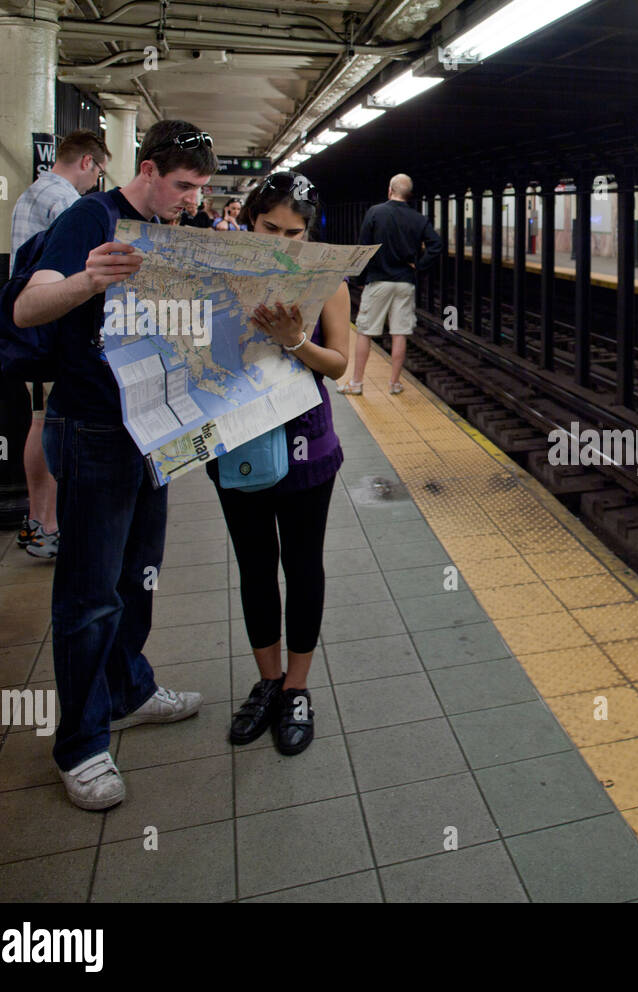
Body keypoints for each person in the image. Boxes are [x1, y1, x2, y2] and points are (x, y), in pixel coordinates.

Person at [12, 120, 218, 810]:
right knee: (90, 593)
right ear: (150, 170)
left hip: (155, 426)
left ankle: (130, 687)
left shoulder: (176, 228)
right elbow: (28, 305)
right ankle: (81, 744)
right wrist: (88, 279)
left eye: (201, 189)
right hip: (97, 426)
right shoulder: (90, 217)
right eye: (183, 186)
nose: (192, 199)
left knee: (139, 574)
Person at [210, 172, 349, 756]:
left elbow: (339, 364)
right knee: (255, 565)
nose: (281, 241)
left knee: (302, 563)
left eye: (295, 232)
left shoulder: (326, 282)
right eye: (270, 228)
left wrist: (296, 339)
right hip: (237, 439)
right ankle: (266, 682)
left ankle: (296, 687)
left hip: (304, 444)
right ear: (247, 220)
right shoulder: (217, 276)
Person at [8, 130, 110, 559]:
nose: (97, 182)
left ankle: (37, 520)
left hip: (30, 333)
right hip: (52, 329)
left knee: (38, 418)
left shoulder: (30, 194)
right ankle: (48, 523)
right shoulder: (72, 205)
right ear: (86, 162)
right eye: (99, 171)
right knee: (49, 422)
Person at [338, 173, 441, 396]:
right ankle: (394, 384)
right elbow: (436, 245)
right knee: (399, 333)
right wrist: (420, 265)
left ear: (389, 190)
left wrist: (360, 280)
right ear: (409, 194)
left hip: (378, 281)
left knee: (365, 332)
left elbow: (363, 248)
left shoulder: (376, 213)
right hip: (404, 282)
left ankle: (356, 383)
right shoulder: (418, 219)